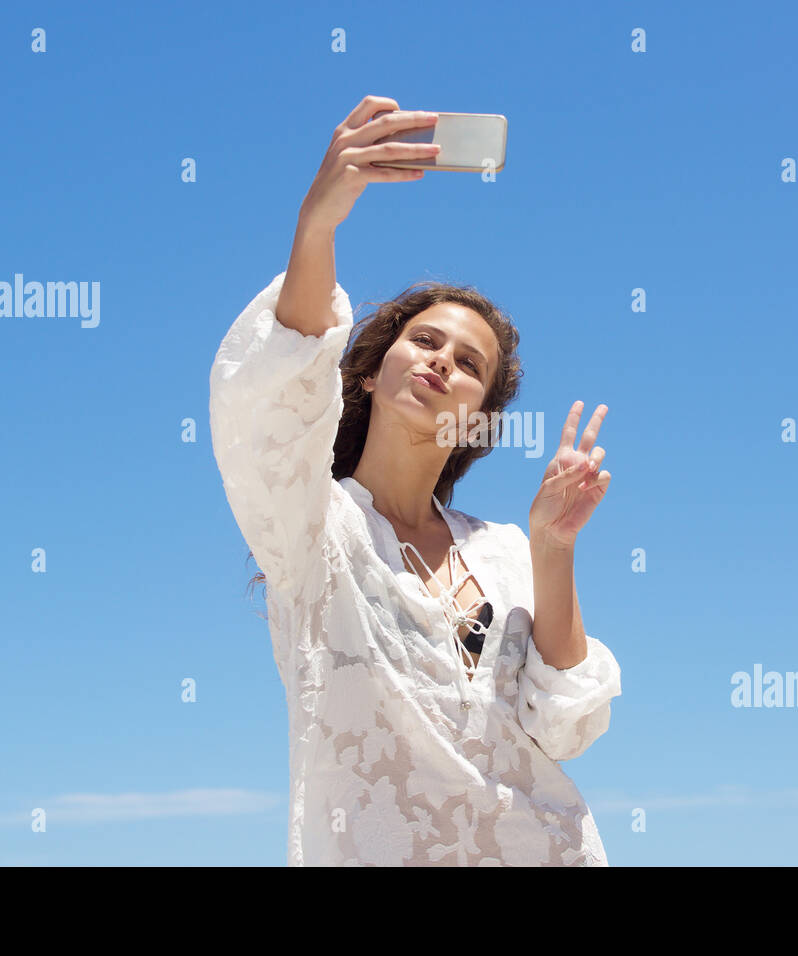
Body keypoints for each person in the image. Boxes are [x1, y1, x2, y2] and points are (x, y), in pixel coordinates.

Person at [209, 95, 620, 866]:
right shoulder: (310, 530)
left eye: (470, 365)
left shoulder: (502, 549)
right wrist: (319, 221)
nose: (442, 361)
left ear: (479, 417)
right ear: (367, 374)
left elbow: (564, 721)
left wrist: (552, 545)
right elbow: (270, 400)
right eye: (424, 340)